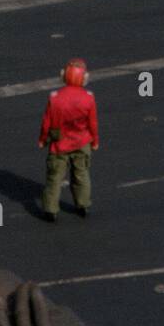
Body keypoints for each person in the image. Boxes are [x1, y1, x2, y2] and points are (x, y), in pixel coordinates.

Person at [38, 58, 99, 222]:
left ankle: (50, 210)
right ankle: (83, 205)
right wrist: (95, 141)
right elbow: (92, 123)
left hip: (59, 145)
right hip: (81, 141)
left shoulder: (55, 98)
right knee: (81, 174)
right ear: (84, 77)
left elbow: (46, 123)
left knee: (54, 178)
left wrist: (43, 140)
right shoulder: (88, 98)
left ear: (64, 75)